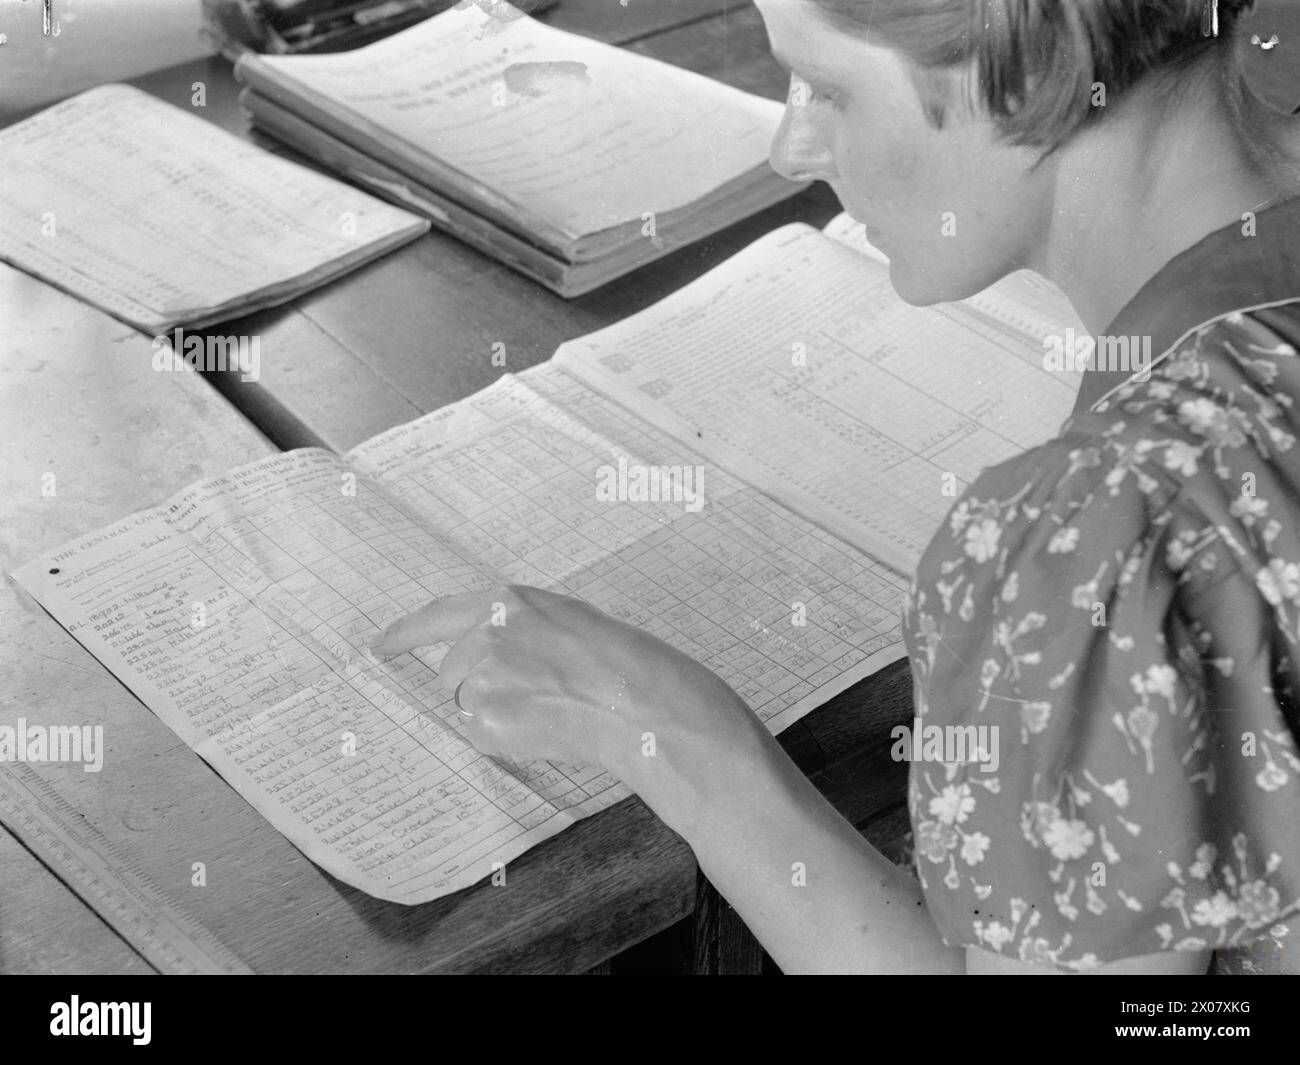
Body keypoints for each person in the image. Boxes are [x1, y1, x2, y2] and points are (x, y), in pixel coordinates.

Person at [373, 0, 1300, 974]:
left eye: (824, 84)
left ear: (1022, 65)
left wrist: (664, 725)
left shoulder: (1088, 543)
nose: (791, 143)